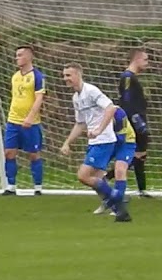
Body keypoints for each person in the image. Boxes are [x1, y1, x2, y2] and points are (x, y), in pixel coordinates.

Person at [59, 63, 128, 222]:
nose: (65, 79)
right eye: (64, 75)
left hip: (104, 141)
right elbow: (80, 123)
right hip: (95, 142)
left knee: (83, 176)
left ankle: (117, 198)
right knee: (97, 179)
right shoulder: (76, 98)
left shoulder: (91, 91)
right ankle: (121, 212)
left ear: (78, 75)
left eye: (68, 75)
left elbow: (111, 108)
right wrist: (67, 142)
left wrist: (99, 130)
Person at [2, 45, 46, 196]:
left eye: (20, 55)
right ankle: (11, 186)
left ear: (29, 57)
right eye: (16, 55)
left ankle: (38, 187)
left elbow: (39, 98)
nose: (17, 58)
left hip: (30, 123)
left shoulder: (38, 77)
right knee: (9, 152)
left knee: (33, 154)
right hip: (13, 120)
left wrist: (30, 117)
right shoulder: (15, 76)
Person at [117, 49, 152, 197]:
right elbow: (126, 101)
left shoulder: (133, 78)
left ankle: (142, 189)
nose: (147, 63)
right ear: (136, 59)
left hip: (138, 119)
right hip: (133, 121)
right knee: (136, 154)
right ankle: (106, 177)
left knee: (140, 154)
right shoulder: (127, 77)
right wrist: (135, 120)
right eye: (145, 60)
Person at [94, 107, 136, 222]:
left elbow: (120, 139)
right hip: (107, 142)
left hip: (126, 142)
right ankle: (108, 200)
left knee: (120, 169)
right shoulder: (95, 115)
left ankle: (118, 204)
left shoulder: (119, 114)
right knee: (94, 172)